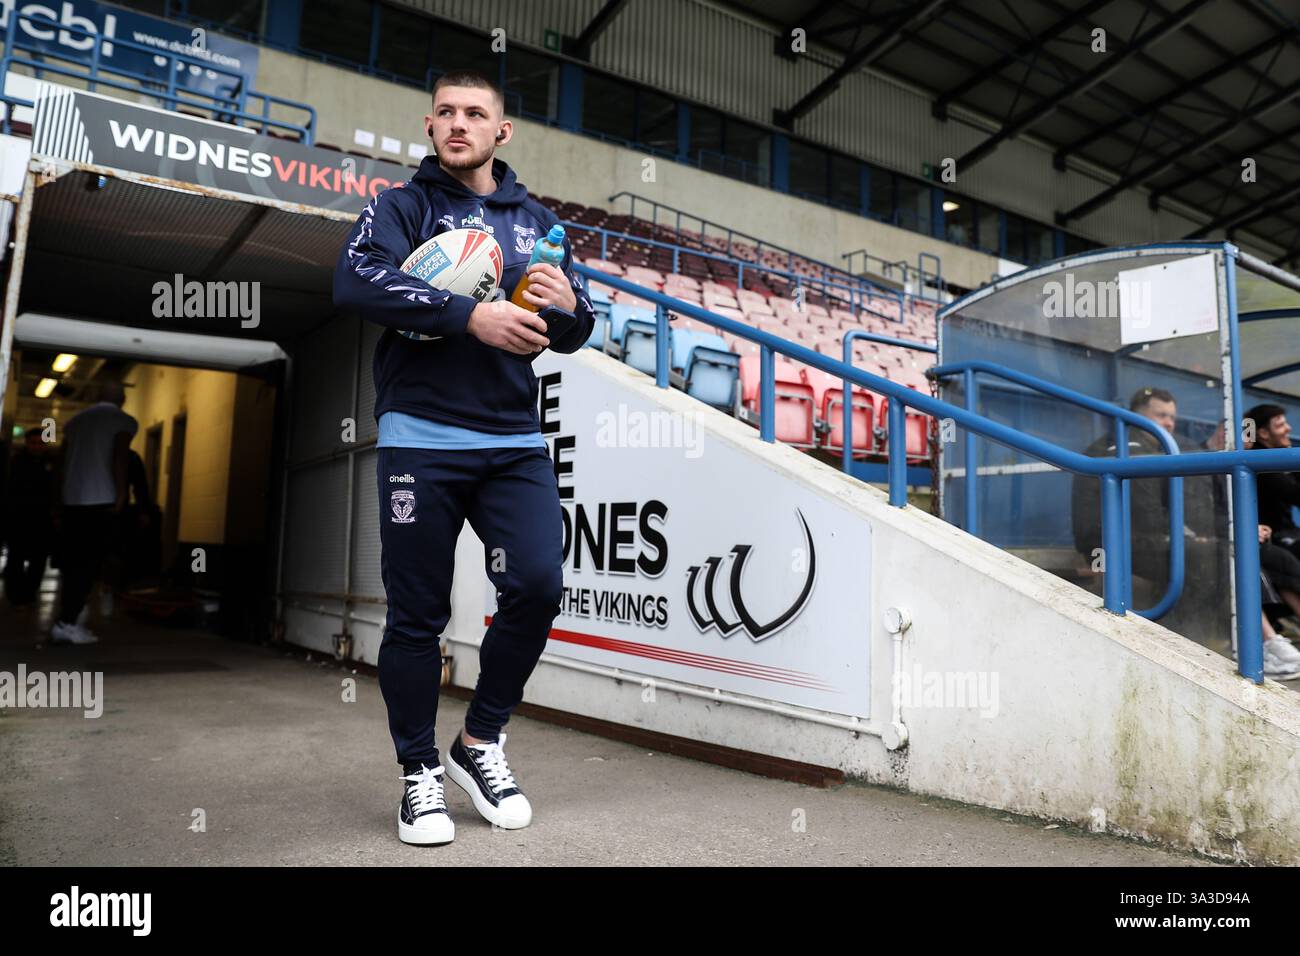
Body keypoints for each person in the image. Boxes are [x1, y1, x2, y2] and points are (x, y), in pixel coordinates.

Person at [332, 69, 595, 846]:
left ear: (501, 132)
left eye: (475, 113)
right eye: (445, 112)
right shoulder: (400, 207)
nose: (458, 123)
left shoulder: (539, 222)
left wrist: (572, 309)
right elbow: (354, 280)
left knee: (539, 586)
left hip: (513, 441)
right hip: (421, 435)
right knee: (419, 614)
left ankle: (478, 744)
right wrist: (467, 317)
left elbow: (574, 333)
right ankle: (418, 775)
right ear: (429, 124)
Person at [51, 379, 138, 644]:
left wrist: (58, 500)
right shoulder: (125, 421)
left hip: (72, 499)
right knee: (88, 565)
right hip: (101, 499)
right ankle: (67, 622)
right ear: (122, 398)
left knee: (73, 562)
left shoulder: (75, 422)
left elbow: (62, 461)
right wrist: (122, 492)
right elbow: (119, 457)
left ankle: (69, 619)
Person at [3, 427, 57, 607]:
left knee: (38, 560)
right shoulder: (17, 463)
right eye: (33, 443)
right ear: (27, 443)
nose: (36, 447)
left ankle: (27, 593)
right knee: (16, 559)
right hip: (19, 518)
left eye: (40, 443)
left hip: (41, 520)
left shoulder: (51, 463)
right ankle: (16, 595)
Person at [1245, 404, 1300, 559]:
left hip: (1288, 533)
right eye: (1280, 425)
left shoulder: (1277, 457)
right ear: (1263, 433)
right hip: (1272, 537)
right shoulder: (1261, 462)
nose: (1288, 428)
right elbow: (1296, 494)